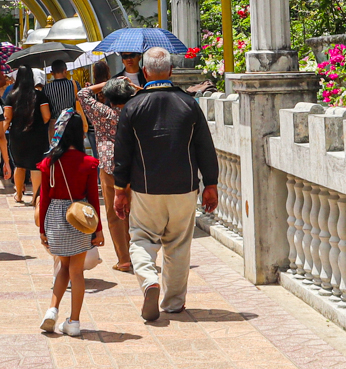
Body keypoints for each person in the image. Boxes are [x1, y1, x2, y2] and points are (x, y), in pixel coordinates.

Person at [112, 47, 219, 322]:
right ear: (170, 72)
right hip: (184, 186)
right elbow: (205, 147)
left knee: (141, 238)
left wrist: (119, 190)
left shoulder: (133, 106)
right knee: (179, 245)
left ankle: (149, 280)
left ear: (145, 72)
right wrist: (211, 184)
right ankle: (173, 303)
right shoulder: (189, 103)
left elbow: (122, 155)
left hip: (145, 188)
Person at [35, 109, 102, 338]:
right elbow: (93, 198)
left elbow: (44, 198)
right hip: (79, 216)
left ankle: (52, 309)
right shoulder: (89, 163)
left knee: (62, 266)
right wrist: (98, 230)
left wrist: (42, 229)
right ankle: (73, 322)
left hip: (54, 216)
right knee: (77, 272)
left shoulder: (49, 162)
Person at [78, 69, 136, 272]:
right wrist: (134, 88)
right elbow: (151, 95)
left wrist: (107, 84)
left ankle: (124, 258)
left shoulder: (102, 112)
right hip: (134, 166)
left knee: (114, 214)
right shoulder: (135, 111)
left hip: (109, 165)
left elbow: (82, 94)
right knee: (135, 213)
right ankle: (139, 256)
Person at [2, 66, 51, 205]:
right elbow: (47, 115)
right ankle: (36, 198)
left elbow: (7, 117)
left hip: (17, 135)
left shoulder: (11, 95)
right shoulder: (40, 95)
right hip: (37, 135)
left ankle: (18, 195)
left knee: (20, 165)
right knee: (36, 166)